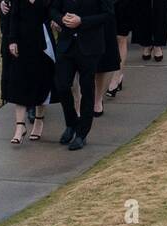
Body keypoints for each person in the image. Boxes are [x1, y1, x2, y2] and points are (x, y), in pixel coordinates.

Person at [50, 0, 114, 150]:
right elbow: (53, 8)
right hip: (66, 44)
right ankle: (71, 123)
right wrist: (61, 19)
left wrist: (81, 21)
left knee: (87, 89)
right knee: (62, 85)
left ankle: (82, 133)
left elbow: (108, 14)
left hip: (90, 45)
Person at [0, 0, 56, 142]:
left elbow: (54, 12)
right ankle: (20, 126)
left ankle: (39, 120)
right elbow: (14, 16)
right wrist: (12, 40)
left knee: (42, 81)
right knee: (20, 82)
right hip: (22, 42)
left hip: (43, 43)